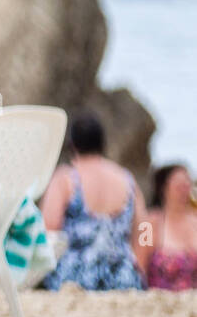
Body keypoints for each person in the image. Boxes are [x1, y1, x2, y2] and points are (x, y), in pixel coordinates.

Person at [40, 112, 147, 291]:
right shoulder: (127, 179)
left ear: (72, 144)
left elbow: (49, 228)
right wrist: (140, 265)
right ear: (102, 143)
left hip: (75, 276)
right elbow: (145, 228)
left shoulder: (66, 178)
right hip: (122, 275)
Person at [142, 163, 197, 291]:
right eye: (179, 187)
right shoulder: (148, 224)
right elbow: (139, 266)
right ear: (163, 188)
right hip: (160, 303)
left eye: (187, 186)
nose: (184, 191)